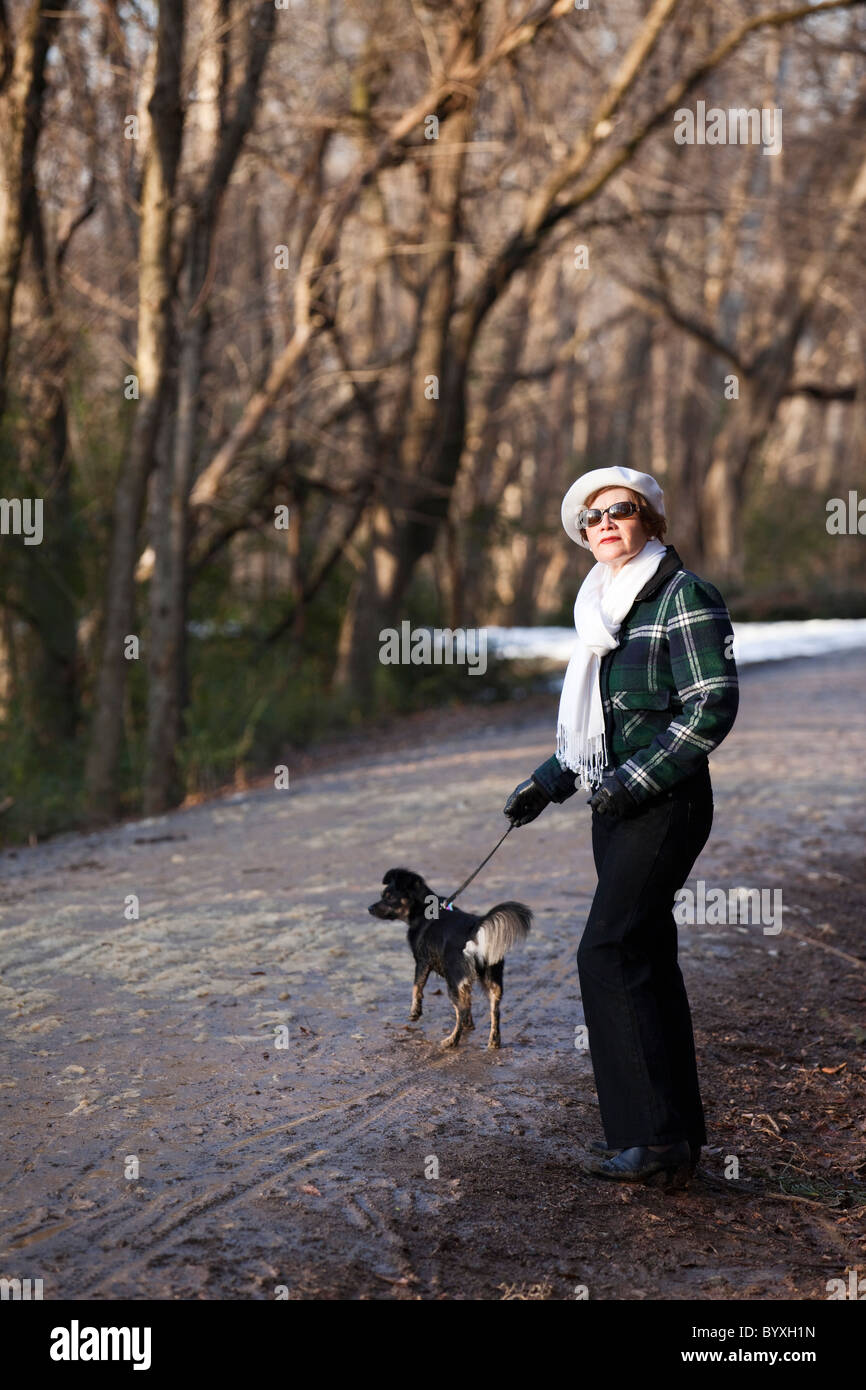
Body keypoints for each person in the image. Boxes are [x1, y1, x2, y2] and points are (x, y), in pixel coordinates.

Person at [504, 466, 739, 1188]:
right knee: (644, 956)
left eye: (622, 511)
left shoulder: (681, 596)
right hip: (613, 809)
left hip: (664, 808)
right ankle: (674, 1137)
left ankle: (653, 1139)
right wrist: (548, 783)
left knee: (606, 951)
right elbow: (602, 727)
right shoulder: (600, 607)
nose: (605, 523)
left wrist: (633, 782)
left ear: (651, 521)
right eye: (593, 518)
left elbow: (711, 706)